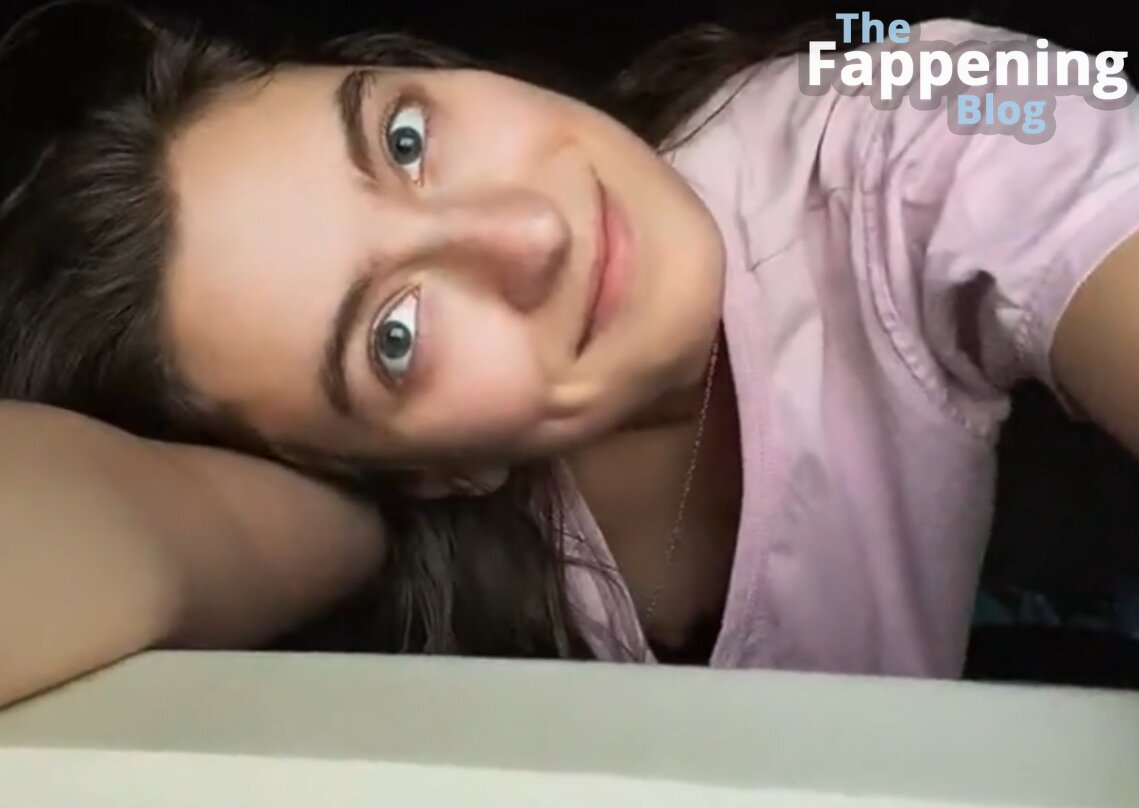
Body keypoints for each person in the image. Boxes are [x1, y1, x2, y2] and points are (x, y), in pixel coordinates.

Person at [2, 0, 1139, 707]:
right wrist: (319, 531)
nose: (530, 233)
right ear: (434, 474)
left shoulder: (887, 122)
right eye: (394, 339)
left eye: (405, 138)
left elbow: (1022, 136)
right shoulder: (398, 555)